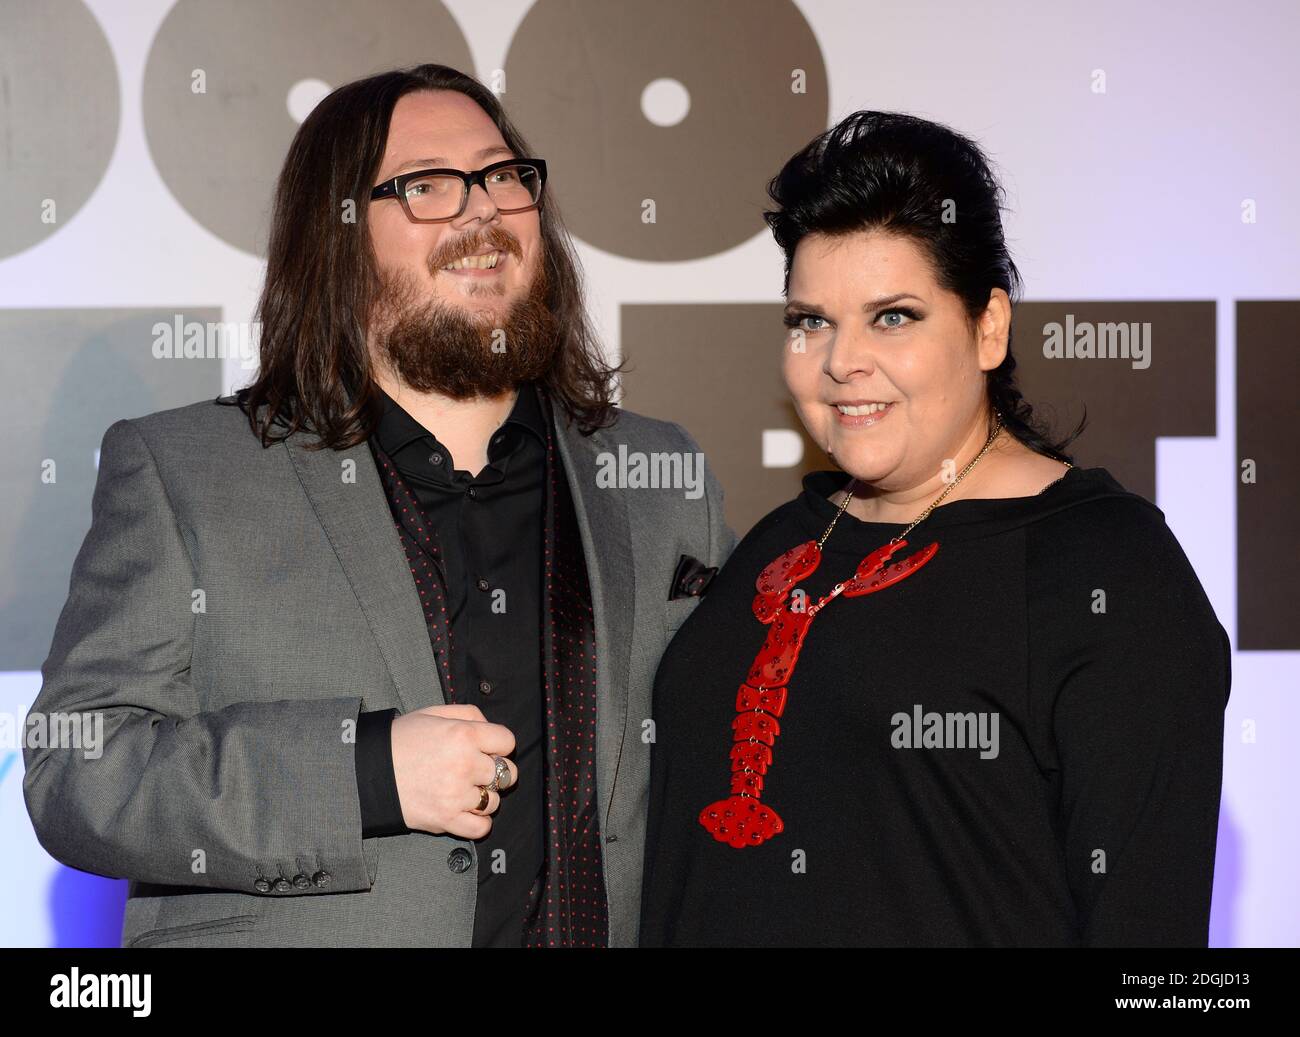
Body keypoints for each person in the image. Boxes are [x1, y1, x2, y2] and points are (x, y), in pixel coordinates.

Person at [23, 63, 734, 948]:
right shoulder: (186, 471)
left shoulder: (658, 472)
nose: (482, 212)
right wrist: (361, 771)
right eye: (427, 186)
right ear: (339, 235)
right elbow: (75, 769)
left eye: (504, 176)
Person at [639, 111, 1231, 947]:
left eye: (893, 316)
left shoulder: (1106, 567)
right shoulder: (779, 541)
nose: (843, 360)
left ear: (988, 327)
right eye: (810, 320)